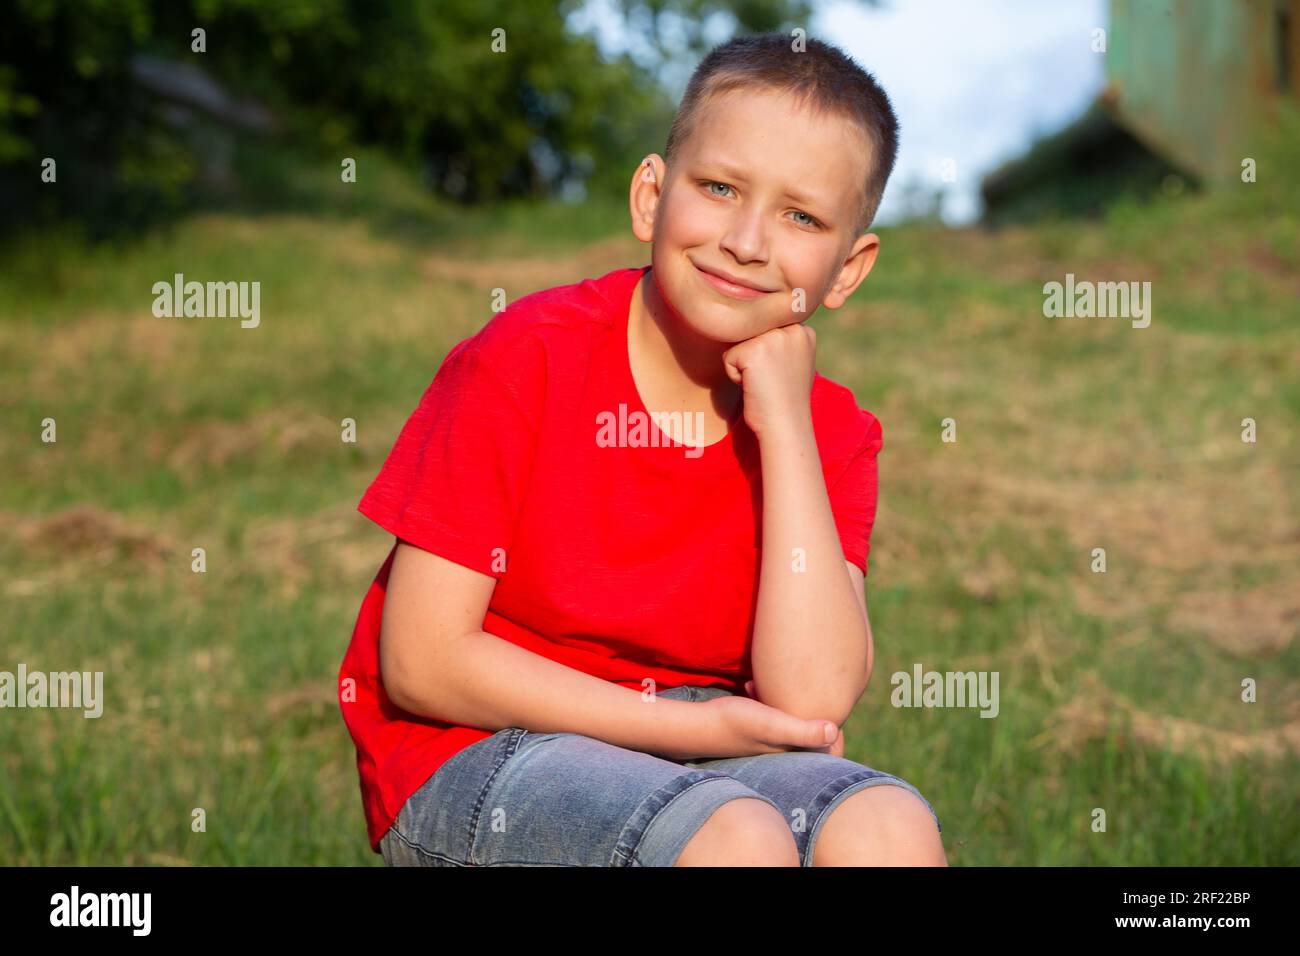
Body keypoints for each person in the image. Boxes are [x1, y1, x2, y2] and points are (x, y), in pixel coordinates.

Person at [338, 32, 945, 867]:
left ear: (848, 270)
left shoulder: (831, 433)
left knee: (887, 827)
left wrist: (788, 429)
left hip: (702, 755)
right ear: (651, 196)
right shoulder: (528, 357)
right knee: (737, 838)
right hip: (476, 747)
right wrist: (690, 728)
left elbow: (811, 698)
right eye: (720, 187)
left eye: (801, 216)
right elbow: (421, 660)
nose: (748, 241)